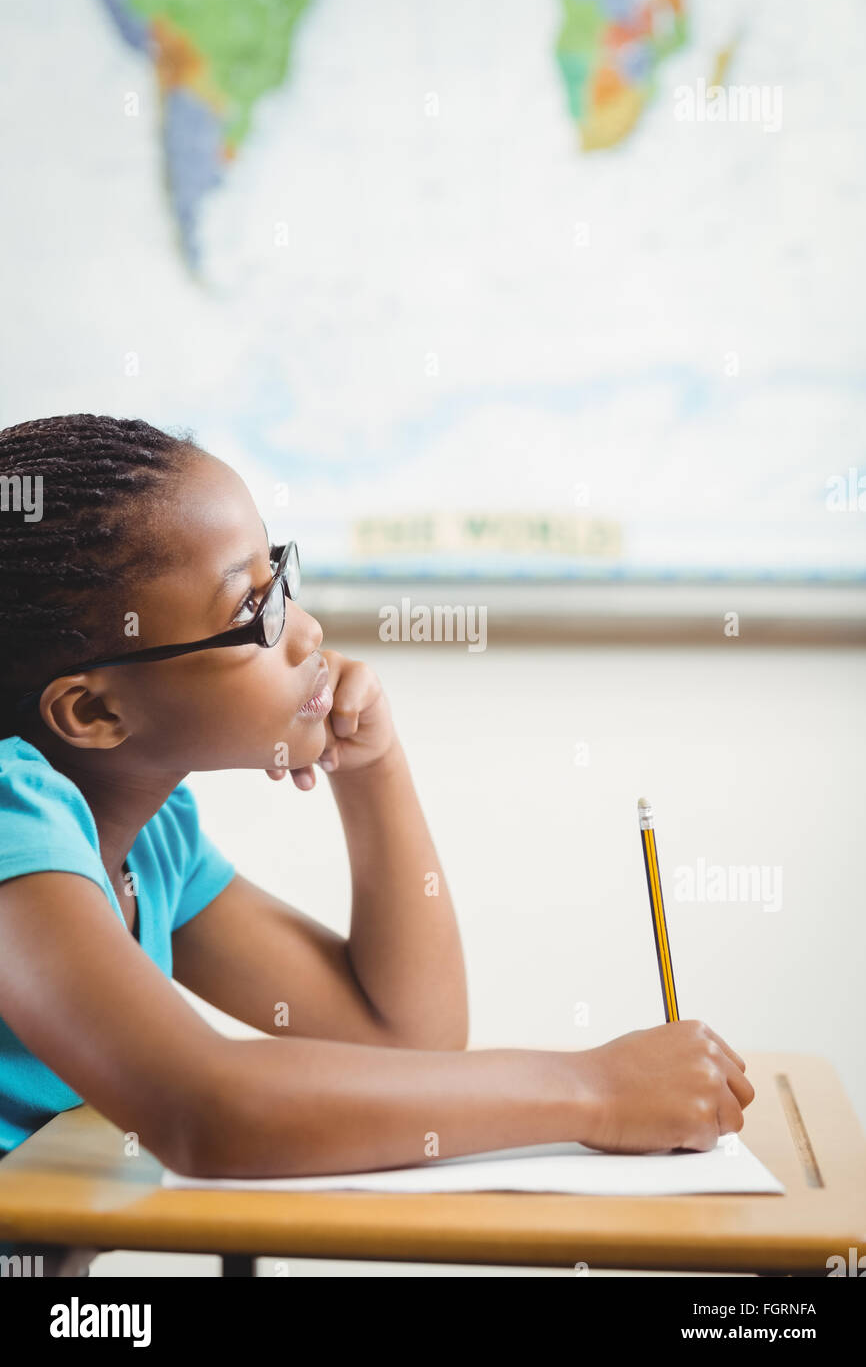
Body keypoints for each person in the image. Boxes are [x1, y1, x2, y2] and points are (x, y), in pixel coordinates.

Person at [0, 415, 753, 1272]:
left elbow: (406, 1035)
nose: (307, 630)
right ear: (94, 713)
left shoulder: (153, 842)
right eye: (253, 609)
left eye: (280, 575)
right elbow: (202, 1108)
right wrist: (595, 1092)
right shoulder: (11, 821)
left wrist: (374, 767)